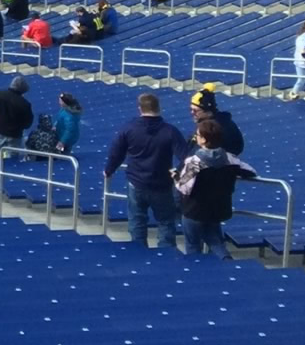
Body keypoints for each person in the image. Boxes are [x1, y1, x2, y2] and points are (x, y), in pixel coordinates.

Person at [104, 92, 189, 251]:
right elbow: (186, 158)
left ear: (140, 109)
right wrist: (176, 173)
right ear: (159, 108)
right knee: (165, 222)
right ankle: (166, 255)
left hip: (136, 182)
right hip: (162, 184)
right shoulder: (170, 131)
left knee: (137, 222)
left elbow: (116, 153)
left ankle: (139, 254)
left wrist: (109, 170)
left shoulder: (129, 128)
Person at [175, 117, 257, 256]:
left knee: (193, 245)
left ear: (204, 140)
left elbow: (184, 187)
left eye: (198, 135)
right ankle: (226, 263)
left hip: (195, 210)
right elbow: (251, 172)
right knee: (216, 241)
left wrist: (175, 177)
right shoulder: (230, 159)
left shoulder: (194, 162)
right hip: (218, 209)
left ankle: (196, 272)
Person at [0, 75, 34, 177]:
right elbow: (28, 122)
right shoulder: (24, 104)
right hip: (15, 134)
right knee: (12, 157)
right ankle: (9, 175)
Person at [189, 85, 244, 154]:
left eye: (195, 110)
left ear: (208, 111)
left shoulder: (214, 127)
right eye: (191, 109)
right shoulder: (212, 121)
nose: (192, 113)